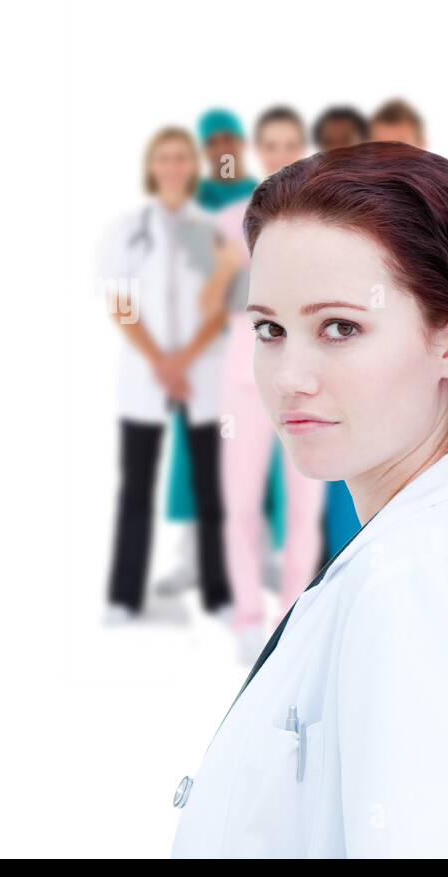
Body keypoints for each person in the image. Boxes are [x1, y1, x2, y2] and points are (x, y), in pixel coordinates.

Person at [171, 142, 448, 858]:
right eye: (270, 329)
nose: (290, 376)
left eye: (340, 328)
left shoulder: (419, 582)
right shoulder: (423, 554)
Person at [97, 127, 237, 623]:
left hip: (202, 371)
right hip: (145, 374)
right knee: (136, 486)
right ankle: (124, 596)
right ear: (152, 166)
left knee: (210, 487)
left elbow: (220, 305)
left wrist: (184, 360)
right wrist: (161, 360)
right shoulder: (128, 228)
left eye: (182, 157)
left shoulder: (210, 228)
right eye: (165, 157)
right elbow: (120, 303)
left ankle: (219, 594)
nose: (174, 166)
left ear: (191, 166)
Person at [208, 106, 326, 665]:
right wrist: (232, 268)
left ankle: (291, 617)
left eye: (289, 143)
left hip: (308, 375)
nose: (280, 153)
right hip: (242, 378)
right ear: (259, 150)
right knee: (240, 501)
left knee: (305, 503)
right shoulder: (232, 220)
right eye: (270, 144)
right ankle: (247, 620)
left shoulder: (325, 219)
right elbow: (215, 306)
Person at [156, 108, 268, 604]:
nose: (222, 146)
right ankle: (193, 555)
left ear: (240, 141)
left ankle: (256, 552)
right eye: (213, 140)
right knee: (195, 454)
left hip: (254, 346)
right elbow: (198, 282)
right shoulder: (196, 203)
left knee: (257, 456)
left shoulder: (266, 193)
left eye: (229, 136)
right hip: (204, 351)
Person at [309, 106, 373, 559]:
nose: (340, 151)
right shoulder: (303, 208)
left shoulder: (379, 207)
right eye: (331, 142)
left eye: (348, 141)